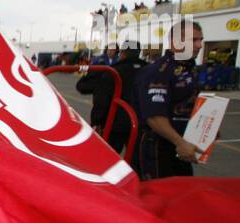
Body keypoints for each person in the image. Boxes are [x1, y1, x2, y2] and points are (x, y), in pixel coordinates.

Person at [134, 20, 204, 180]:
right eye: (193, 40)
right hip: (158, 148)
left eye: (201, 40)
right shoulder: (159, 71)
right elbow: (154, 117)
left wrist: (207, 126)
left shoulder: (188, 69)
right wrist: (179, 142)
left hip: (180, 145)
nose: (199, 45)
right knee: (158, 197)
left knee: (183, 195)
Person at [77, 42, 145, 156]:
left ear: (122, 53)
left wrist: (97, 121)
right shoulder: (149, 70)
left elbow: (101, 99)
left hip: (115, 124)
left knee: (108, 157)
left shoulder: (113, 72)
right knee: (137, 159)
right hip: (142, 124)